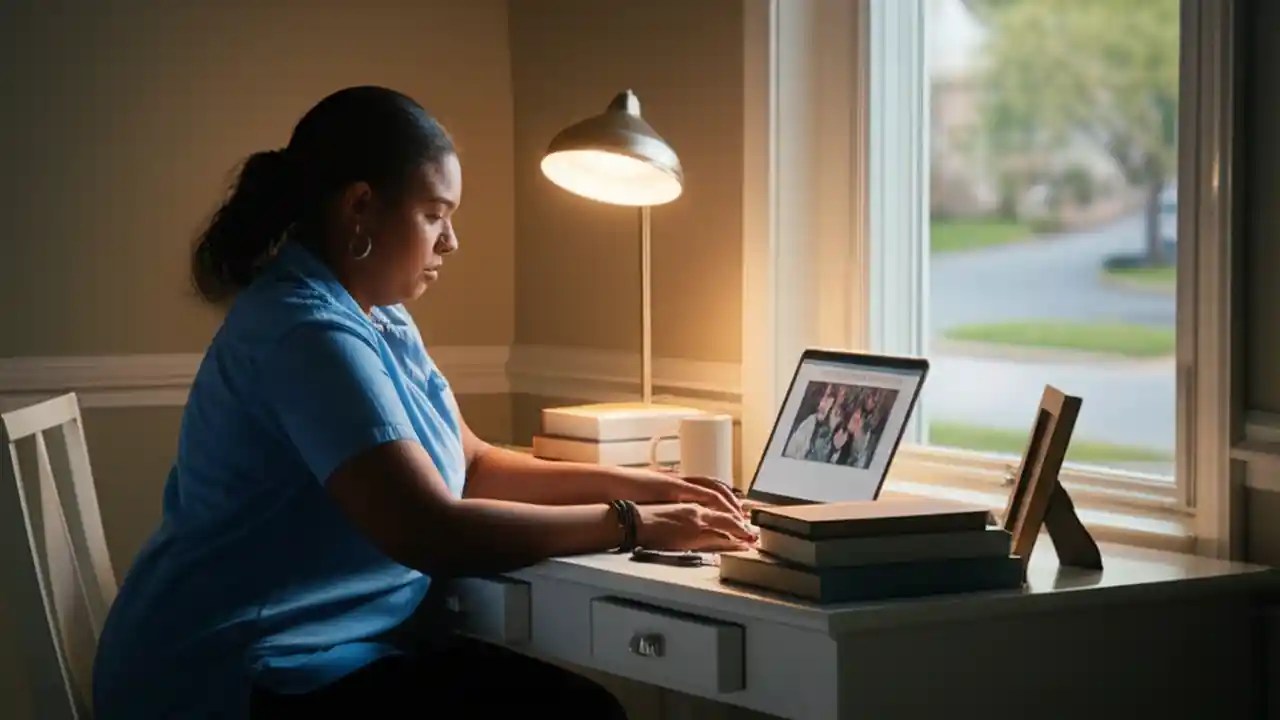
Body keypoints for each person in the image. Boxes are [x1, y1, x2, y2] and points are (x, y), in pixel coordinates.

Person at [91, 86, 757, 720]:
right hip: (233, 671)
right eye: (435, 214)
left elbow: (472, 463)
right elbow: (430, 528)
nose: (451, 241)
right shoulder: (306, 330)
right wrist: (630, 523)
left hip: (322, 648)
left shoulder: (376, 313)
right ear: (361, 208)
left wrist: (653, 488)